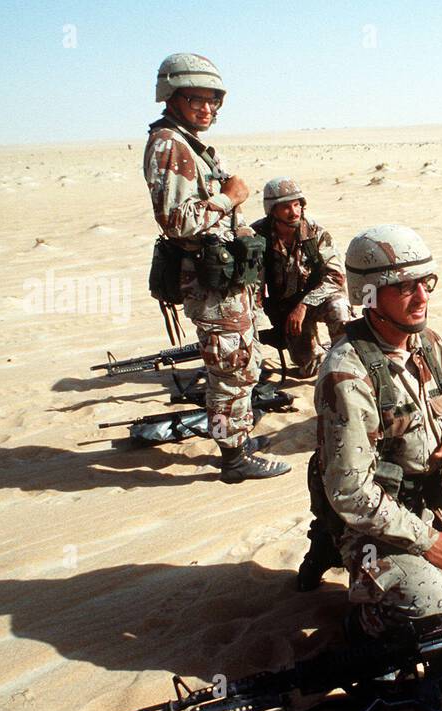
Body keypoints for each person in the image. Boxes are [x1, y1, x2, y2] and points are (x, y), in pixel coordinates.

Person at [310, 224, 442, 624]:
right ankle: (365, 621)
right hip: (371, 524)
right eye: (405, 287)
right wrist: (428, 542)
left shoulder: (427, 343)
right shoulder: (347, 375)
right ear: (369, 295)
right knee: (427, 600)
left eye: (426, 282)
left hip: (428, 503)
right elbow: (350, 492)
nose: (422, 297)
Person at [142, 52, 289, 483]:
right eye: (196, 100)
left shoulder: (190, 143)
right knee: (228, 371)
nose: (207, 109)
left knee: (240, 364)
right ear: (171, 97)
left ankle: (236, 439)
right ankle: (233, 460)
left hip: (224, 281)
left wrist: (239, 228)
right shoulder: (170, 145)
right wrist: (231, 197)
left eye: (214, 102)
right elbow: (176, 220)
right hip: (209, 285)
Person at [250, 177, 352, 378]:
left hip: (319, 299)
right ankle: (320, 354)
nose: (294, 212)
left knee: (339, 306)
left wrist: (304, 305)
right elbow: (253, 286)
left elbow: (336, 276)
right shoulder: (257, 237)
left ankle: (347, 363)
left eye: (297, 205)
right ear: (272, 210)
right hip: (286, 309)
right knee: (308, 367)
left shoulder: (315, 233)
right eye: (286, 207)